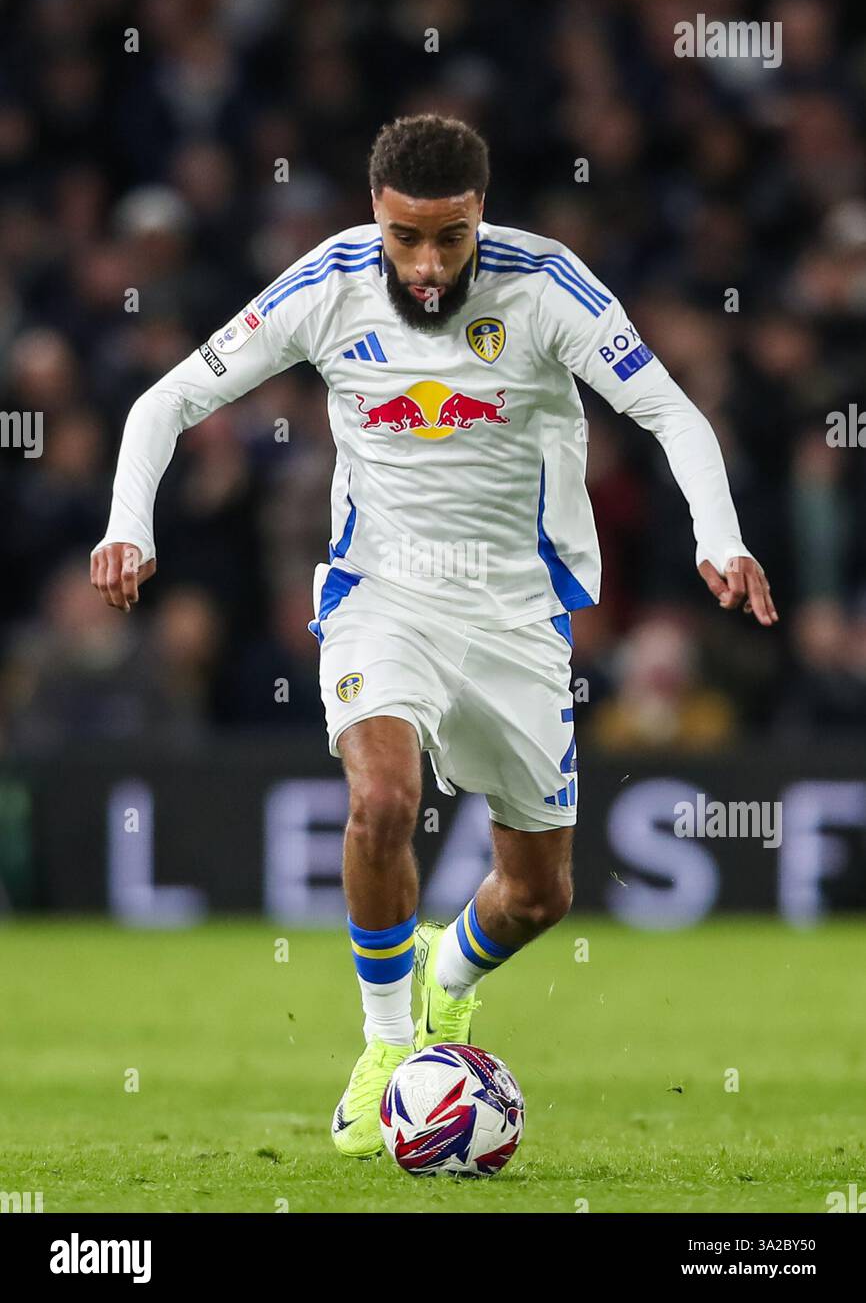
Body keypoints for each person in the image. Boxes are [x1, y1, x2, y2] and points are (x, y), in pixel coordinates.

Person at [90, 114, 778, 1158]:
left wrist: (716, 540)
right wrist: (126, 525)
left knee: (539, 894)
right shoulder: (325, 285)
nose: (424, 263)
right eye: (405, 237)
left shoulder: (545, 287)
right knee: (381, 798)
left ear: (478, 216)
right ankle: (386, 1046)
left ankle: (443, 985)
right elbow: (168, 399)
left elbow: (672, 413)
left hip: (515, 613)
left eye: (448, 238)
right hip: (383, 591)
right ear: (376, 212)